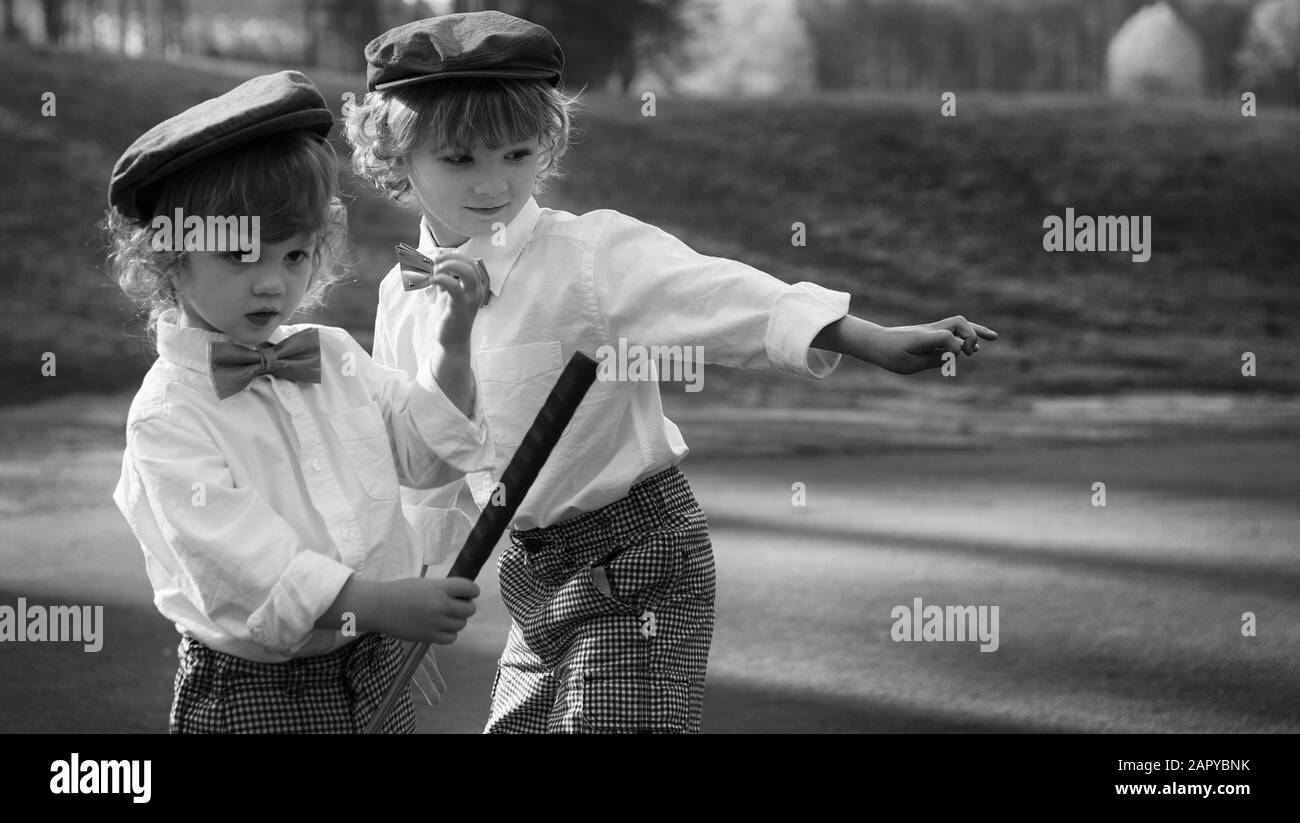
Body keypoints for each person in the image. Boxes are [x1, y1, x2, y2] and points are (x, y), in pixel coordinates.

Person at [345, 11, 998, 733]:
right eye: (460, 159)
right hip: (536, 578)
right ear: (396, 155)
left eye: (518, 152)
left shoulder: (590, 256)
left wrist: (870, 338)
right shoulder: (400, 300)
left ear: (547, 144)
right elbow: (424, 470)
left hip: (643, 558)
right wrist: (403, 596)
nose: (495, 183)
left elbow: (721, 296)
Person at [107, 70, 493, 733]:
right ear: (168, 257)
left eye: (293, 254)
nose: (272, 284)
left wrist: (453, 345)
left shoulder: (333, 353)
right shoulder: (169, 416)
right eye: (238, 254)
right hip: (257, 693)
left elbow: (427, 454)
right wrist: (377, 604)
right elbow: (246, 568)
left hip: (371, 668)